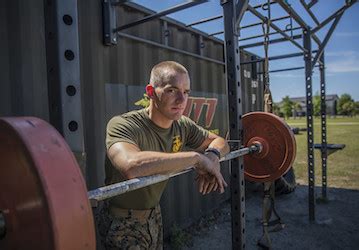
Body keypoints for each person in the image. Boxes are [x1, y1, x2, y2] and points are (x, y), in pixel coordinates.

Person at [104, 61, 230, 249]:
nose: (181, 100)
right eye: (172, 90)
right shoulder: (123, 125)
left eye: (186, 92)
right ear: (151, 91)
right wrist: (196, 159)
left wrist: (212, 156)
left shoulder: (182, 125)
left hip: (154, 216)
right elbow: (131, 166)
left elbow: (221, 142)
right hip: (121, 222)